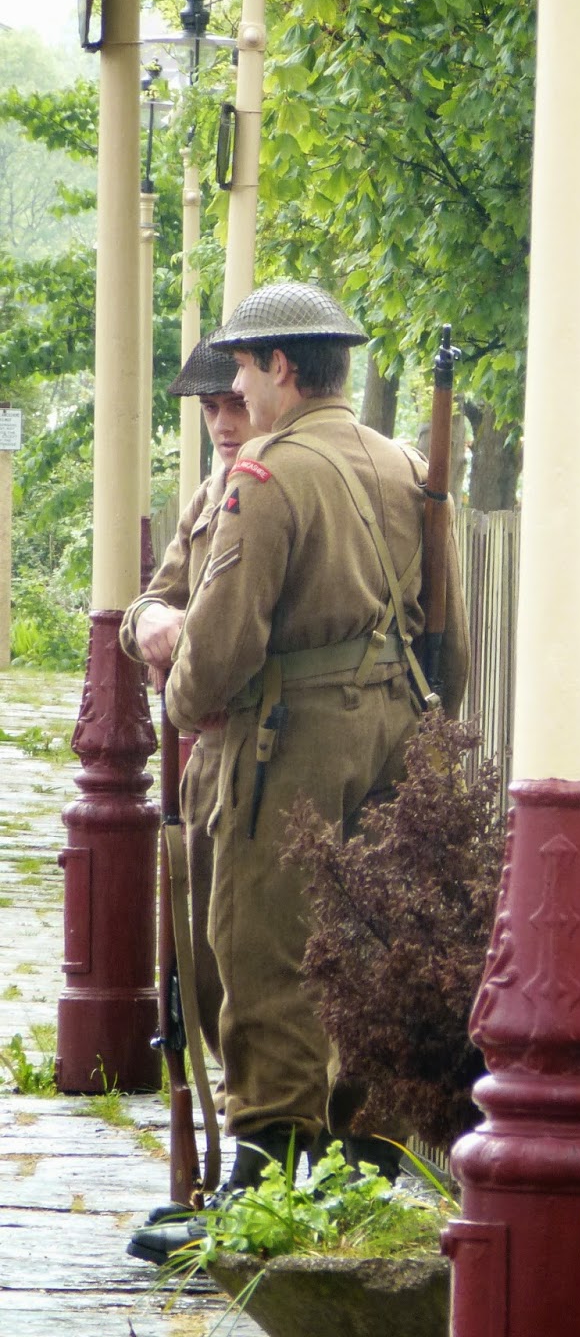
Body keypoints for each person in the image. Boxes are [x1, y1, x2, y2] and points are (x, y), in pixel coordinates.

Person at [138, 281, 469, 1256]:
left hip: (290, 738)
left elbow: (222, 645)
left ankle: (269, 1177)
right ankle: (359, 1165)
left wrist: (180, 698)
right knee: (370, 951)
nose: (236, 385)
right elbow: (448, 626)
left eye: (242, 367)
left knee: (265, 949)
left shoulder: (267, 476)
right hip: (400, 734)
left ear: (281, 367)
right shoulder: (404, 463)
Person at [120, 335, 254, 1075]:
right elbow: (155, 598)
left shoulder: (281, 489)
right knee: (200, 956)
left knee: (248, 959)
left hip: (257, 746)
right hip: (205, 758)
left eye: (236, 403)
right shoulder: (208, 497)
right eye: (211, 409)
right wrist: (147, 624)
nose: (225, 423)